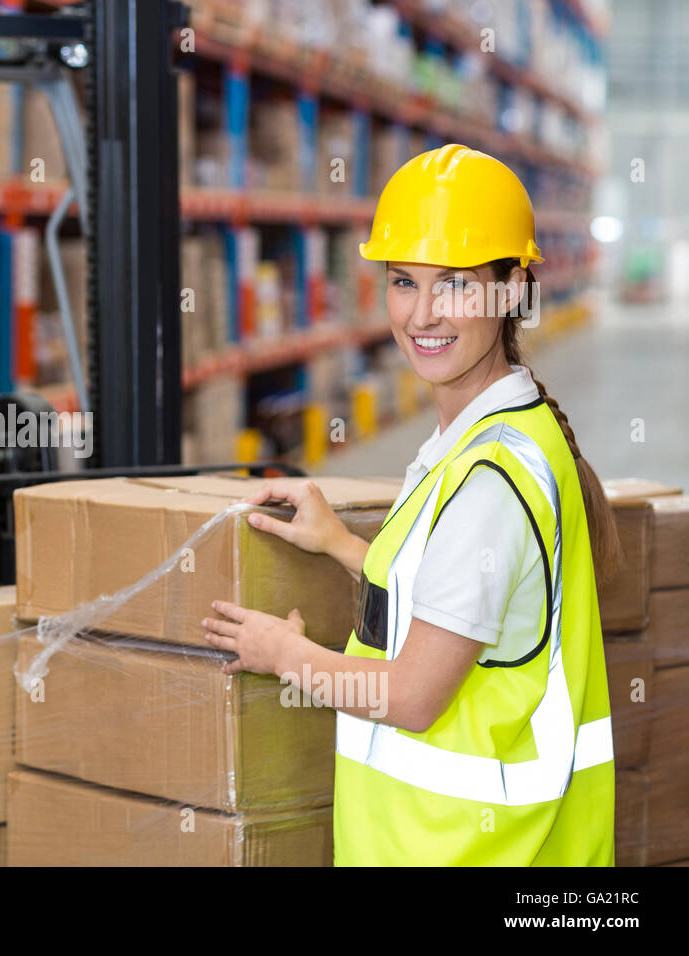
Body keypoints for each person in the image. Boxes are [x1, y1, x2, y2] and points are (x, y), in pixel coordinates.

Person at [200, 144, 621, 866]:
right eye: (403, 281)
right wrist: (339, 543)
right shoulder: (498, 434)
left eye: (454, 285)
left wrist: (285, 654)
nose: (422, 313)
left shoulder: (491, 479)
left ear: (511, 290)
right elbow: (466, 601)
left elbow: (414, 695)